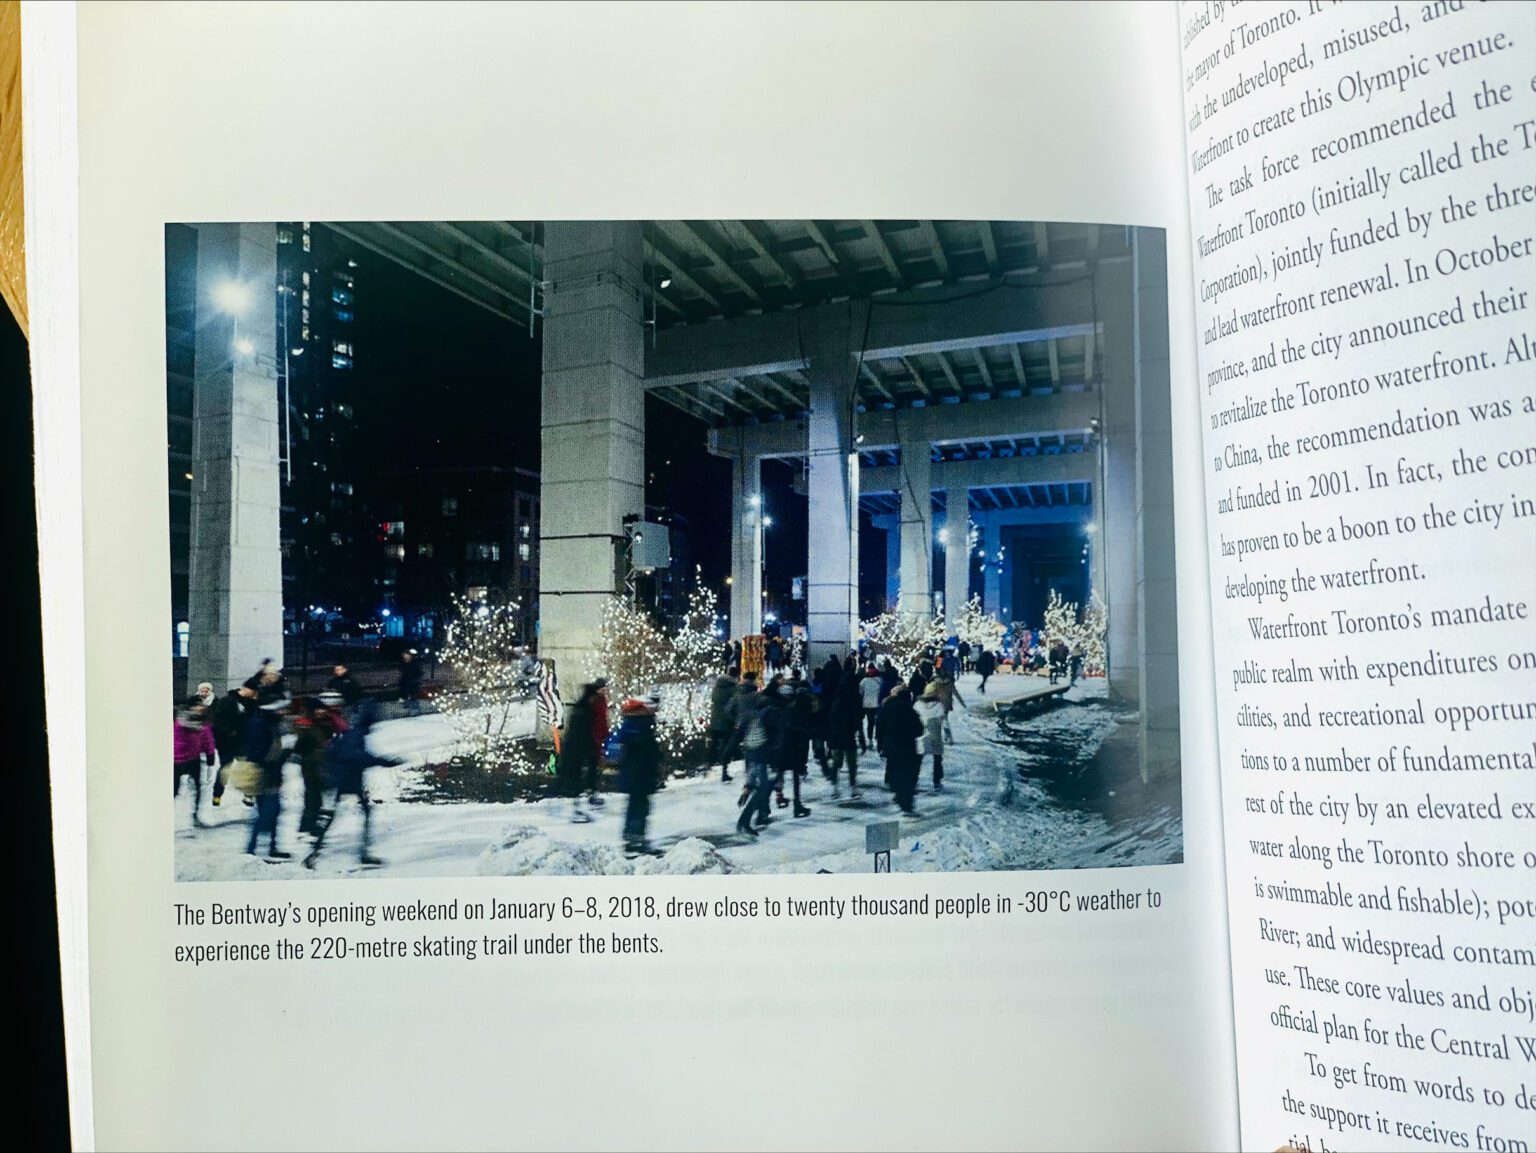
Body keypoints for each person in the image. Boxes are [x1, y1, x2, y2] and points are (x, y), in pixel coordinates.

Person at [304, 697, 390, 869]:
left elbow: (336, 752)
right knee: (357, 814)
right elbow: (357, 757)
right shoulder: (357, 734)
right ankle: (362, 854)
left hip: (343, 779)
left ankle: (315, 853)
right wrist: (385, 761)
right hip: (347, 780)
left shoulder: (354, 732)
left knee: (337, 815)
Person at [241, 694, 293, 860]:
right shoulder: (262, 725)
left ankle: (266, 847)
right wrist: (283, 754)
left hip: (268, 772)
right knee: (268, 811)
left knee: (271, 810)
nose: (284, 711)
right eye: (281, 708)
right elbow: (261, 753)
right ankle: (253, 848)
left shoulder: (266, 722)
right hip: (265, 774)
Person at [293, 693, 348, 837]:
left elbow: (343, 727)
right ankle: (307, 828)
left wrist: (331, 716)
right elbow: (300, 747)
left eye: (323, 709)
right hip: (311, 766)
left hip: (322, 764)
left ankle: (309, 827)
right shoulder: (306, 726)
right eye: (318, 709)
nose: (321, 711)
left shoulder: (324, 723)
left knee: (316, 797)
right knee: (313, 797)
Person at [616, 696, 661, 855]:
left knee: (636, 805)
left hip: (635, 774)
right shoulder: (642, 724)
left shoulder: (631, 723)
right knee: (639, 807)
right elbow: (647, 751)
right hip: (640, 774)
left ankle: (633, 838)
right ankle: (636, 840)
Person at [559, 680, 607, 822]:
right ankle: (575, 810)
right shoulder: (584, 709)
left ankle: (578, 806)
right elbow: (582, 731)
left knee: (578, 775)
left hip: (578, 747)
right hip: (577, 747)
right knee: (575, 777)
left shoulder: (583, 706)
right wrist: (590, 746)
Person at [877, 683, 923, 815]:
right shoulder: (910, 711)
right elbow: (918, 730)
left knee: (895, 770)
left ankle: (896, 791)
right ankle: (906, 805)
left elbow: (880, 727)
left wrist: (880, 745)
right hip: (907, 746)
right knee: (907, 775)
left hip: (890, 745)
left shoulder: (886, 708)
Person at [208, 685, 255, 807]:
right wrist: (230, 731)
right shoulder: (226, 701)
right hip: (227, 742)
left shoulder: (250, 703)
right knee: (225, 769)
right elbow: (217, 721)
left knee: (246, 768)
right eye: (252, 690)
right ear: (245, 689)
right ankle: (217, 795)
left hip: (242, 742)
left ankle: (248, 795)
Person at [173, 696, 215, 828]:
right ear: (190, 707)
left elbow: (207, 739)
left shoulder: (203, 722)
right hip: (178, 760)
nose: (200, 707)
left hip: (194, 759)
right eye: (197, 705)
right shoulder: (181, 721)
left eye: (201, 705)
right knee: (173, 789)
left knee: (198, 788)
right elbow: (176, 741)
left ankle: (195, 816)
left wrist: (210, 753)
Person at [825, 675, 863, 800]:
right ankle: (853, 787)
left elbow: (830, 721)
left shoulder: (836, 702)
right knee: (851, 763)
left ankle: (835, 787)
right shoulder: (854, 702)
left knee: (836, 762)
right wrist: (860, 736)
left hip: (836, 736)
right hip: (849, 736)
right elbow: (857, 720)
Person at [708, 666, 740, 783]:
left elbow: (713, 700)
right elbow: (735, 706)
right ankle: (724, 771)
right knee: (727, 747)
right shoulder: (733, 689)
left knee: (715, 743)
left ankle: (710, 763)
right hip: (727, 722)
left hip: (714, 720)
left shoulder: (716, 687)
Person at [916, 683, 947, 792]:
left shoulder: (917, 704)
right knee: (937, 759)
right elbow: (943, 721)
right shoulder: (939, 706)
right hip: (935, 735)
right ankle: (936, 781)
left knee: (918, 759)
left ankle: (914, 779)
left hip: (921, 734)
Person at [934, 665, 965, 743]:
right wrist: (962, 702)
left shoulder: (934, 682)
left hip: (937, 703)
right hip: (947, 703)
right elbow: (956, 693)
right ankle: (948, 736)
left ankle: (943, 736)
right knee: (945, 720)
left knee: (938, 721)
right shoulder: (949, 682)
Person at [858, 664, 881, 753]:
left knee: (870, 722)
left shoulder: (864, 681)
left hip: (867, 704)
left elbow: (860, 692)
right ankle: (878, 739)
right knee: (878, 722)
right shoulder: (879, 680)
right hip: (877, 704)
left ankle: (870, 739)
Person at [397, 649, 423, 714]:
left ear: (410, 656)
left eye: (407, 655)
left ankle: (415, 710)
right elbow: (403, 672)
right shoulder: (403, 663)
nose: (406, 656)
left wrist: (416, 679)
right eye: (404, 655)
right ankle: (407, 708)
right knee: (405, 696)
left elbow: (419, 672)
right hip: (406, 682)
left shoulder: (414, 663)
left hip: (413, 682)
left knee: (412, 696)